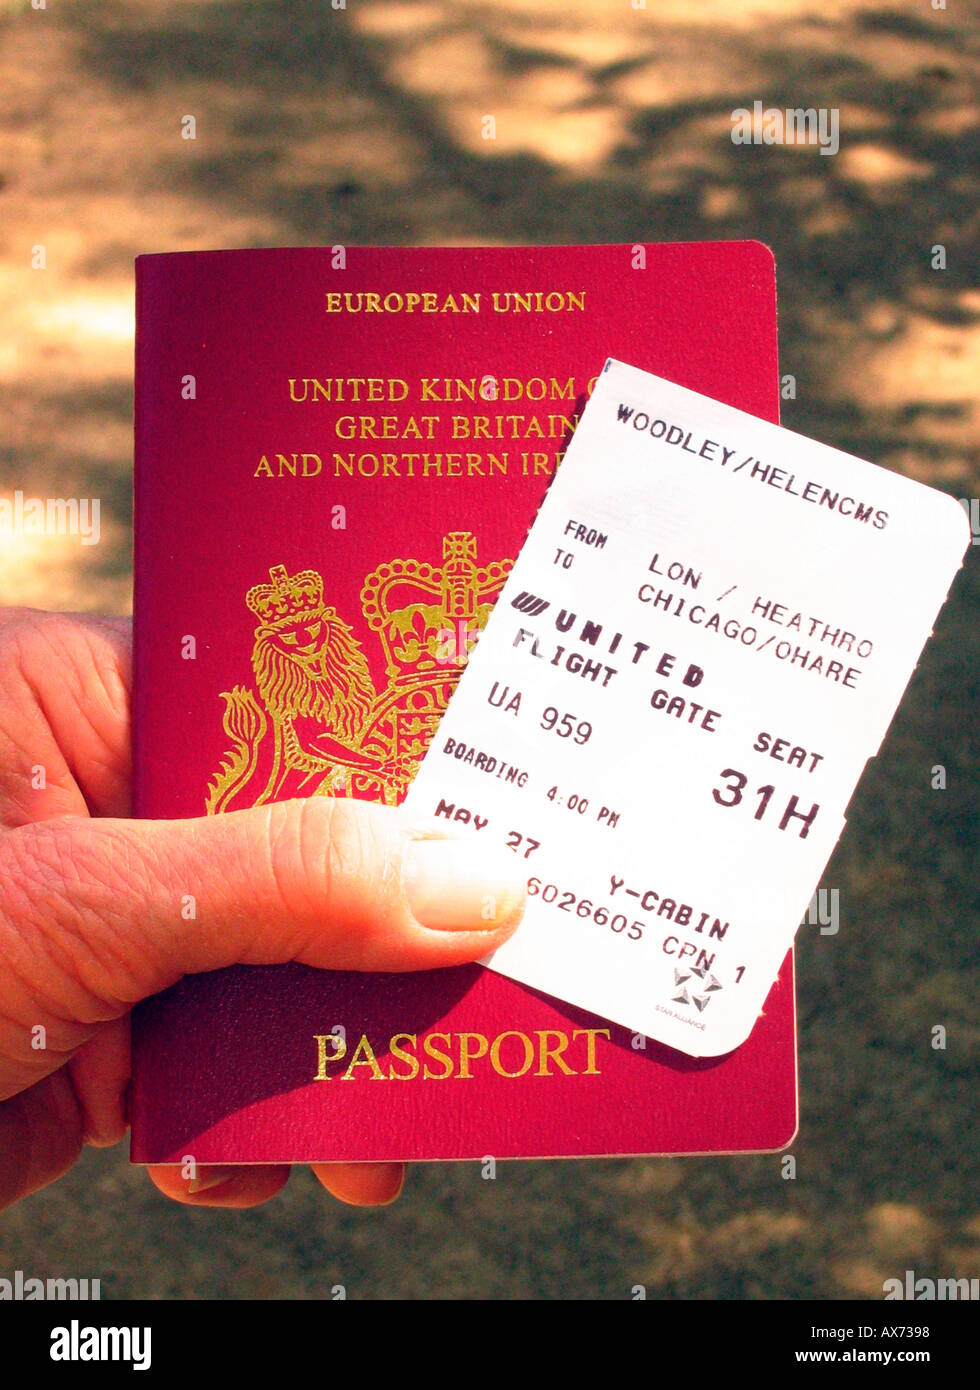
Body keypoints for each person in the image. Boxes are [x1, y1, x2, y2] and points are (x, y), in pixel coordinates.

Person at [0, 608, 527, 1213]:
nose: (305, 645)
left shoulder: (344, 679)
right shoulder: (292, 694)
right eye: (292, 639)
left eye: (313, 633)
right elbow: (309, 743)